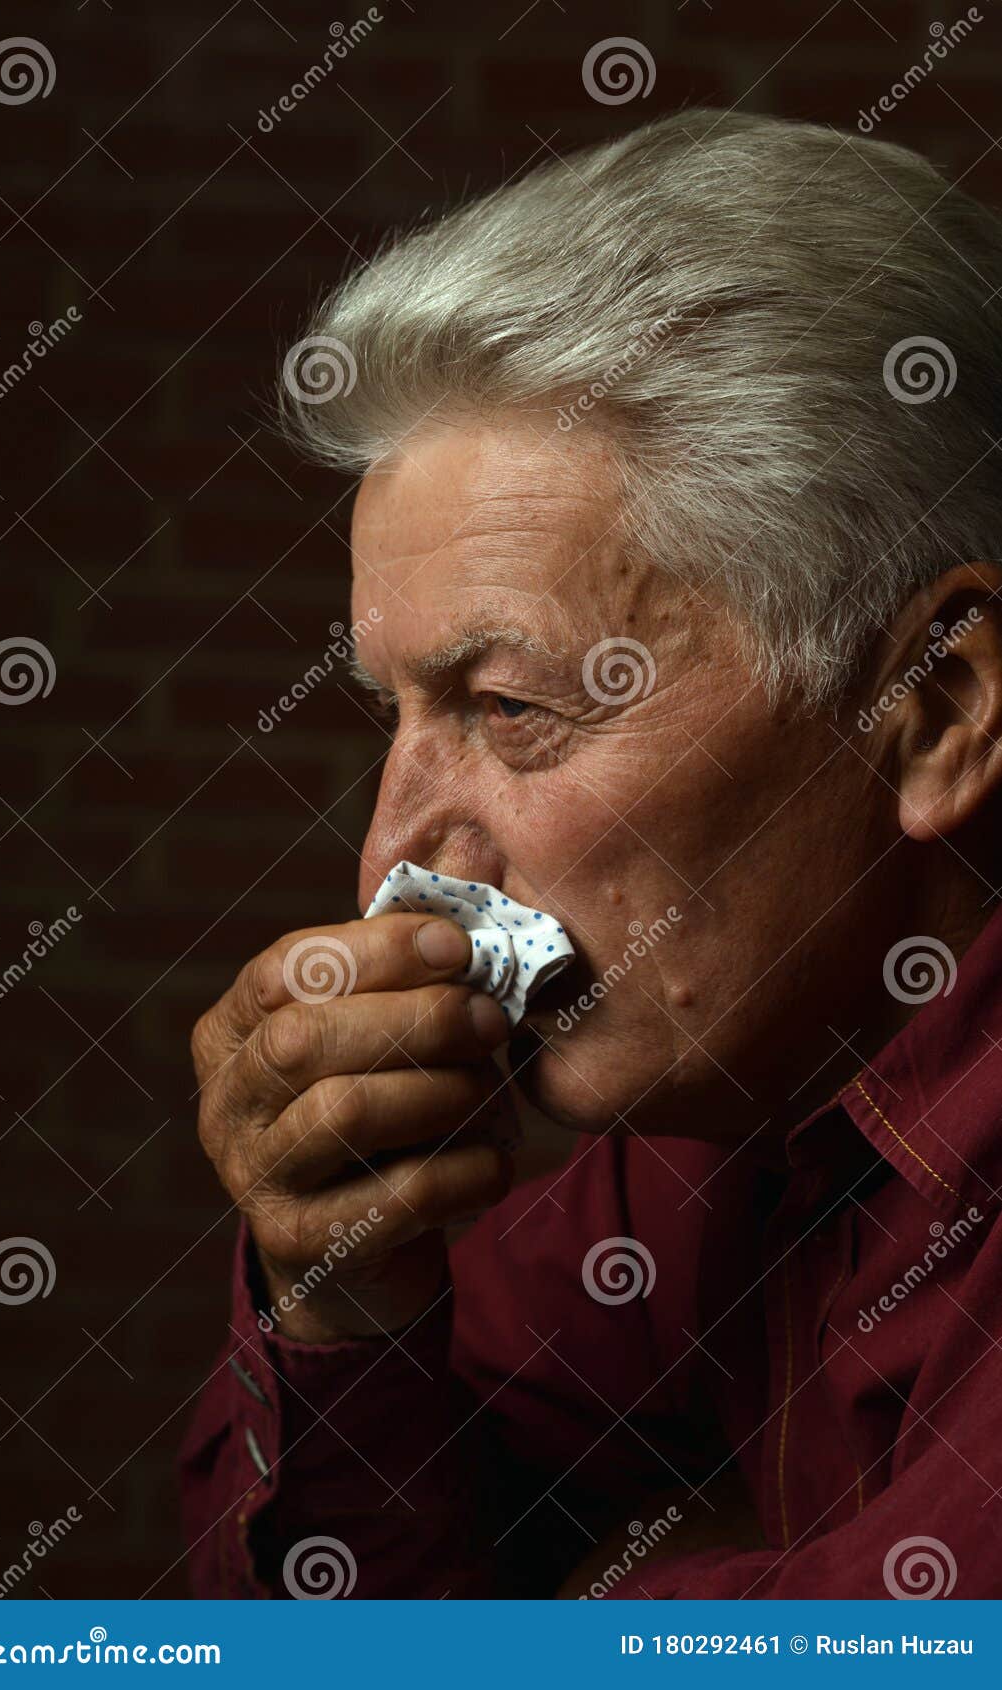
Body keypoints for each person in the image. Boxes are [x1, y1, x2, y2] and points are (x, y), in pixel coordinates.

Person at [180, 109, 1002, 1598]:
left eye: (512, 707)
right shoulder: (729, 1113)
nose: (392, 862)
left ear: (935, 711)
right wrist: (345, 1296)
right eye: (394, 714)